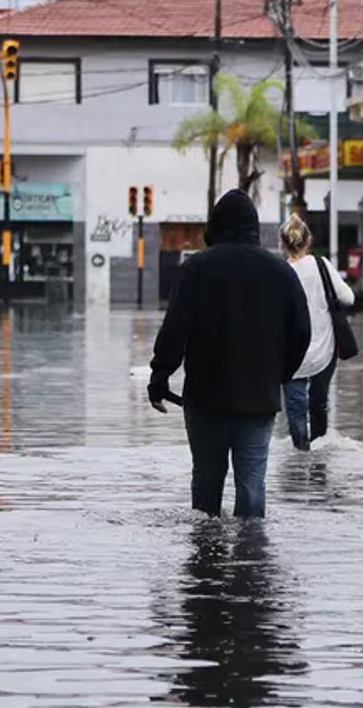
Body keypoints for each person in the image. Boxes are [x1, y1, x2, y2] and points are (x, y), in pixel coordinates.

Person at [148, 190, 311, 519]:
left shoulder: (196, 269)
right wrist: (276, 374)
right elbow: (302, 333)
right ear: (254, 227)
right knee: (252, 487)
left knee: (206, 485)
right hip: (258, 398)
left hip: (205, 398)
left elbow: (174, 330)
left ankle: (204, 561)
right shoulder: (280, 272)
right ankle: (251, 562)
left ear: (215, 226)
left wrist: (160, 377)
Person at [278, 215, 355, 451]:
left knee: (295, 405)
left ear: (283, 244)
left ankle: (301, 451)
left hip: (291, 352)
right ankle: (320, 450)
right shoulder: (321, 265)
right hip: (325, 347)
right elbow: (348, 298)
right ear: (308, 240)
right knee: (319, 401)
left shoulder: (281, 271)